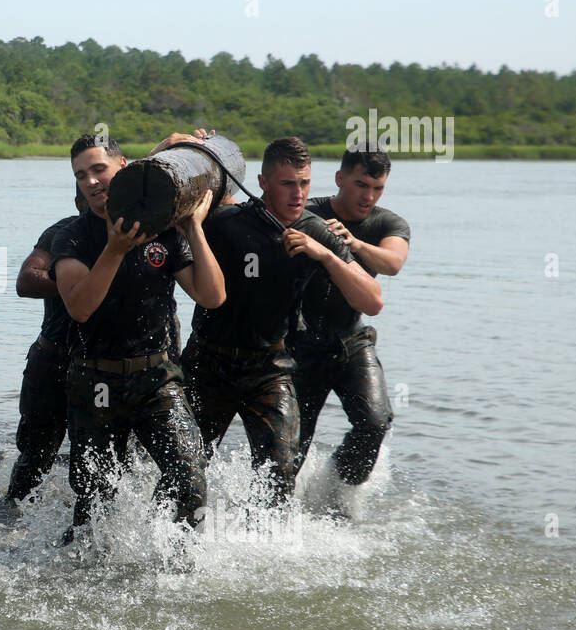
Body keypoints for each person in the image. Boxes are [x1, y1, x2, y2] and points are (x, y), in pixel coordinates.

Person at [182, 136, 383, 506]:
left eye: (305, 183)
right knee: (187, 471)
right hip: (209, 362)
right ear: (263, 183)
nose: (298, 193)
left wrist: (326, 256)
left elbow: (372, 301)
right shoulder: (227, 223)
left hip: (269, 368)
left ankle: (262, 552)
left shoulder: (314, 230)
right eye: (288, 183)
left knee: (279, 474)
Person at [50, 133, 226, 542]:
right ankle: (80, 573)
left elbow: (212, 296)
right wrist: (113, 250)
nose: (92, 181)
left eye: (98, 170)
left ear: (123, 168)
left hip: (157, 380)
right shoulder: (73, 237)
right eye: (81, 176)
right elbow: (80, 308)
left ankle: (172, 570)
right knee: (95, 499)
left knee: (190, 475)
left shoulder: (162, 232)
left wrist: (193, 228)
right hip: (95, 381)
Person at [290, 141, 411, 487]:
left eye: (377, 188)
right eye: (361, 185)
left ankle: (335, 488)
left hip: (351, 341)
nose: (368, 196)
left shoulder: (387, 222)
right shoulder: (306, 212)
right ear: (341, 178)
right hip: (300, 344)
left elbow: (393, 264)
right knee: (292, 444)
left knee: (375, 423)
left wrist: (352, 244)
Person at [4, 188, 86, 505]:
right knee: (33, 460)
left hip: (104, 366)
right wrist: (79, 284)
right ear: (79, 203)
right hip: (53, 358)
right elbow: (26, 281)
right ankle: (11, 519)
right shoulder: (62, 233)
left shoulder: (137, 233)